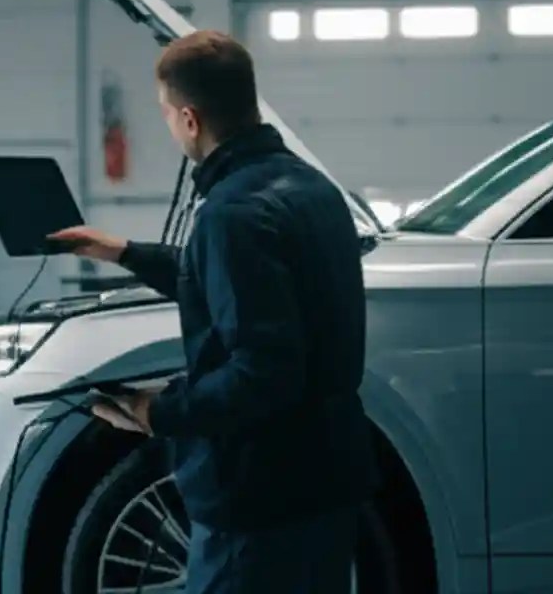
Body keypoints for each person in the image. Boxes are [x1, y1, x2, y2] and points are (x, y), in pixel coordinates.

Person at [50, 30, 375, 593]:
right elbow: (234, 283)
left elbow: (263, 374)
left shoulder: (232, 214)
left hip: (258, 498)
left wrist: (160, 412)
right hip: (326, 480)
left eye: (167, 114)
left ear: (191, 119)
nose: (170, 126)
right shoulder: (311, 189)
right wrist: (120, 251)